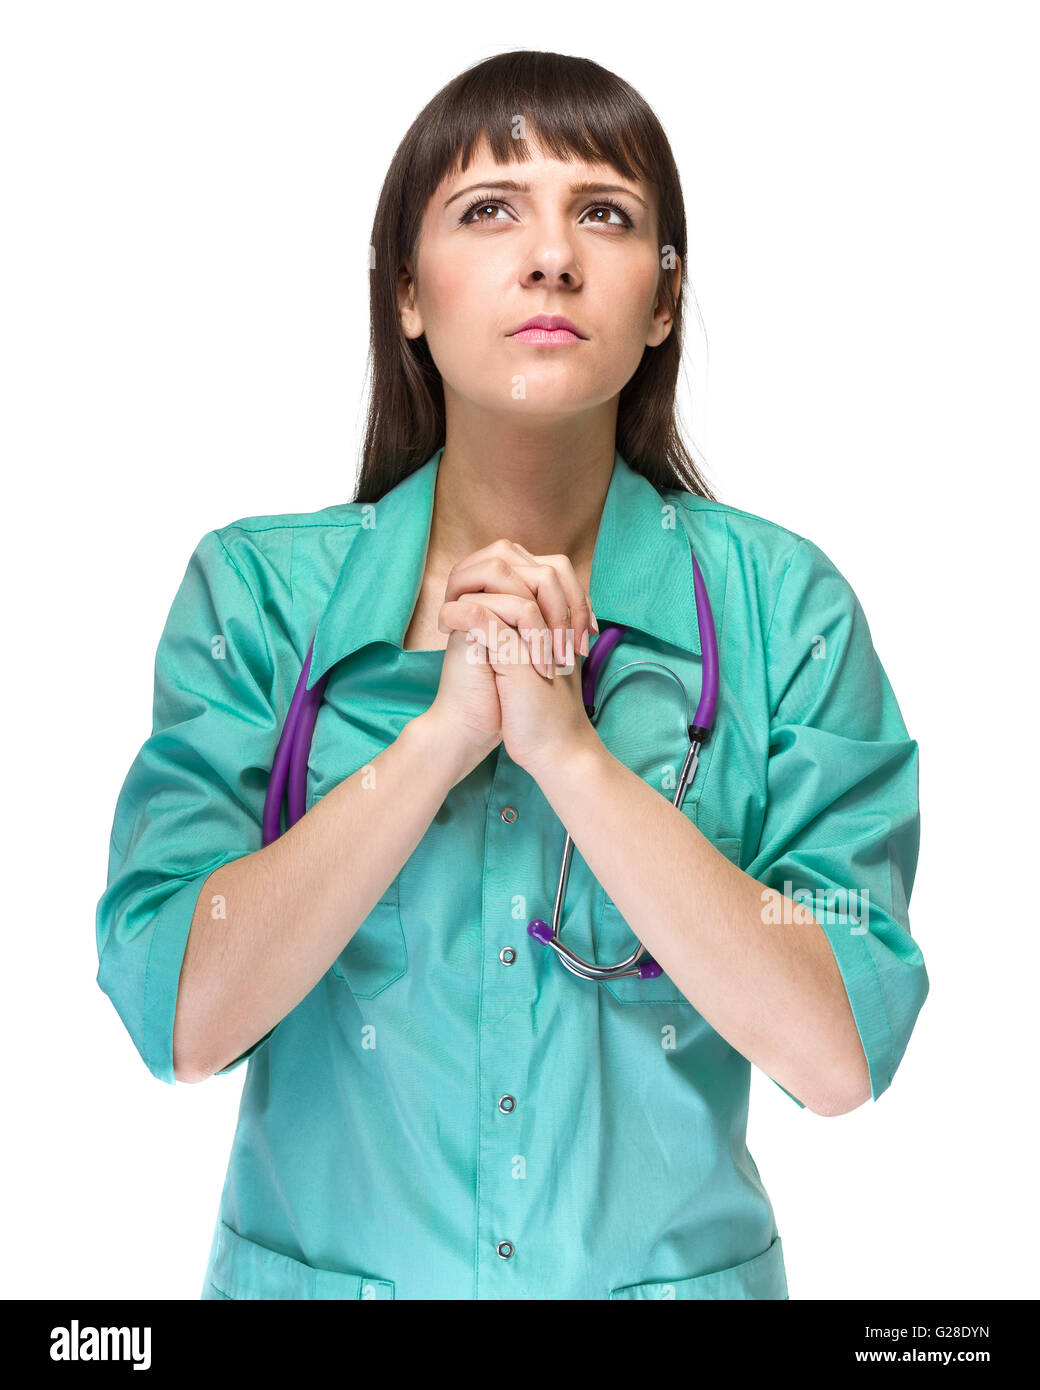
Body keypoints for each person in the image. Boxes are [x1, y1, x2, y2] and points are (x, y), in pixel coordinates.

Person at [95, 49, 928, 1301]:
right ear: (406, 297)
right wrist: (438, 738)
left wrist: (568, 756)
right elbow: (183, 1017)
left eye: (604, 212)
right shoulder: (256, 598)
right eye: (488, 210)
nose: (550, 255)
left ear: (660, 300)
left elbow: (838, 1050)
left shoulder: (784, 609)